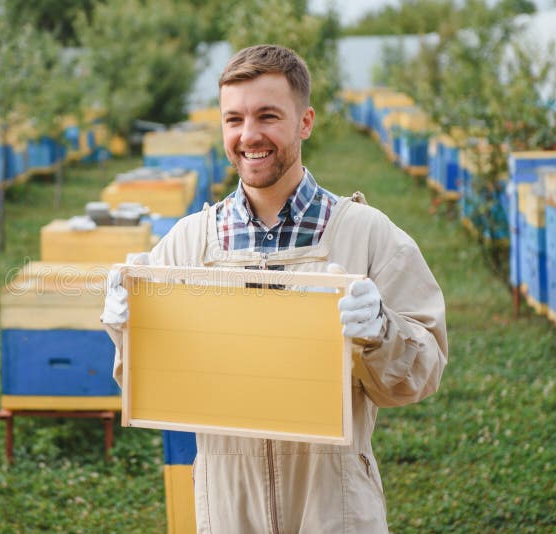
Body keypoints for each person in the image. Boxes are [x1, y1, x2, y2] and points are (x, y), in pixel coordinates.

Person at [102, 44, 448, 533]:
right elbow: (150, 383)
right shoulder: (186, 242)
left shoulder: (368, 235)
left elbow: (421, 374)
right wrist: (128, 327)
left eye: (268, 116)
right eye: (234, 119)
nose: (249, 136)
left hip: (334, 505)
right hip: (228, 505)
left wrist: (381, 331)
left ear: (305, 122)